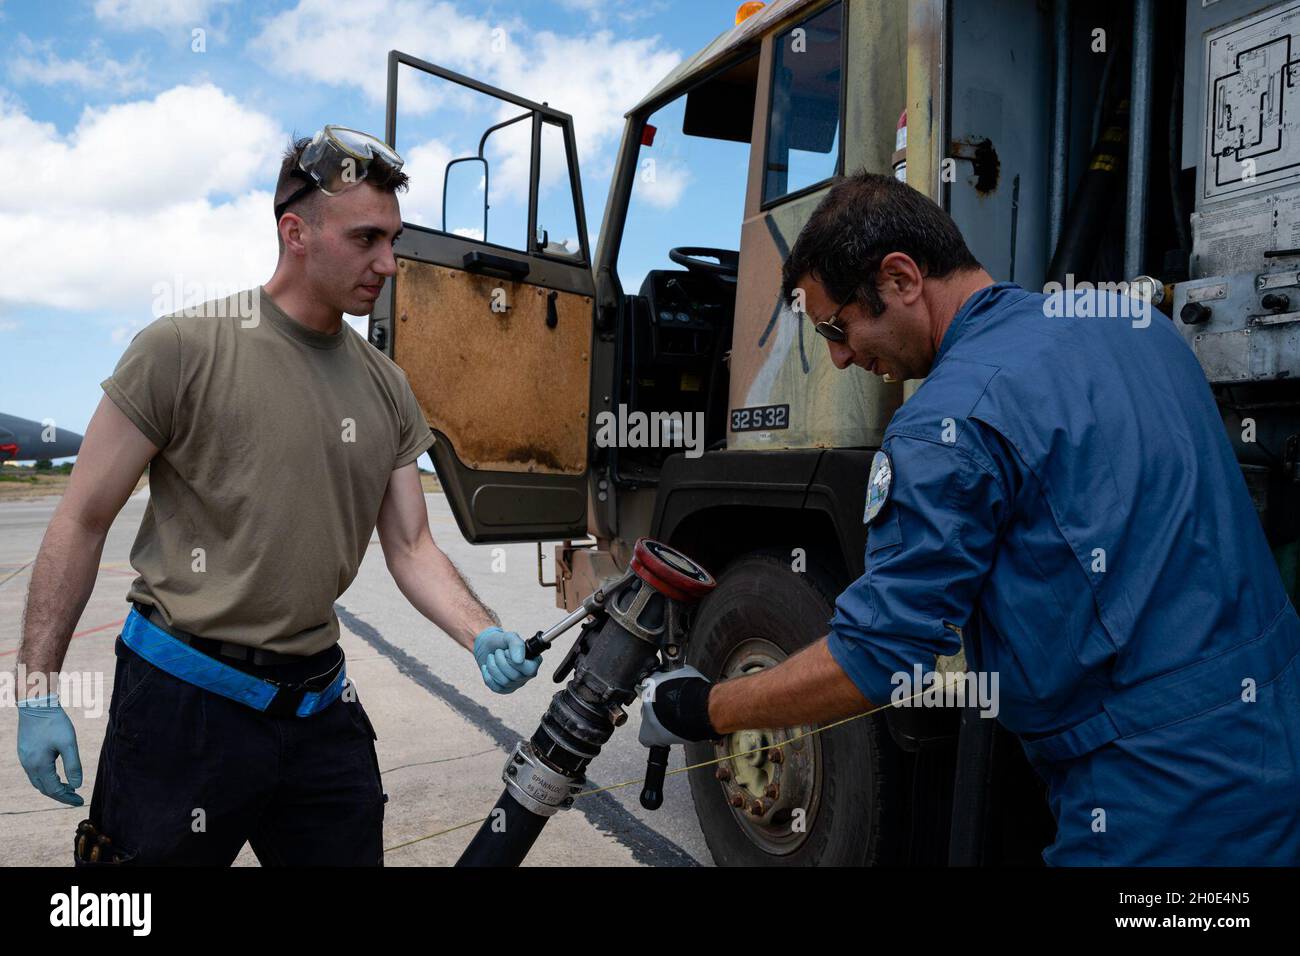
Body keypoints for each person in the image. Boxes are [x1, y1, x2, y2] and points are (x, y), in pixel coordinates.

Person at [641, 170, 1300, 865]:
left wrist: (705, 708)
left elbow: (875, 658)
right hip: (1276, 726)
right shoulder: (1136, 327)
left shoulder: (944, 423)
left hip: (1159, 792)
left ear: (899, 279)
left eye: (838, 326)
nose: (839, 357)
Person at [15, 125, 539, 866]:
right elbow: (80, 519)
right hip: (180, 707)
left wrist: (479, 630)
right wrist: (36, 691)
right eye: (366, 239)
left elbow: (412, 545)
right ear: (296, 232)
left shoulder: (386, 385)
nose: (388, 263)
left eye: (392, 240)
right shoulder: (183, 349)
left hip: (320, 709)